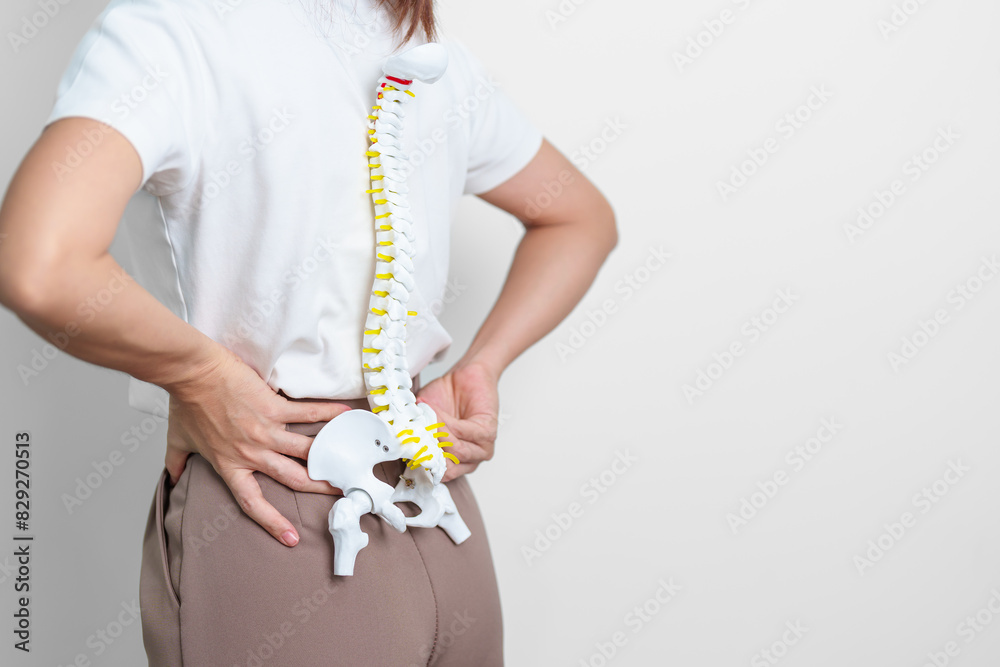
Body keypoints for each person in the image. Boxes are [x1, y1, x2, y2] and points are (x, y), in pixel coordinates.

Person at [0, 0, 617, 663]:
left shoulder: (171, 29)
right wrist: (481, 366)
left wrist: (200, 374)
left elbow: (37, 262)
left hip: (287, 509)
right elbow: (582, 217)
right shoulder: (421, 44)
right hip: (435, 505)